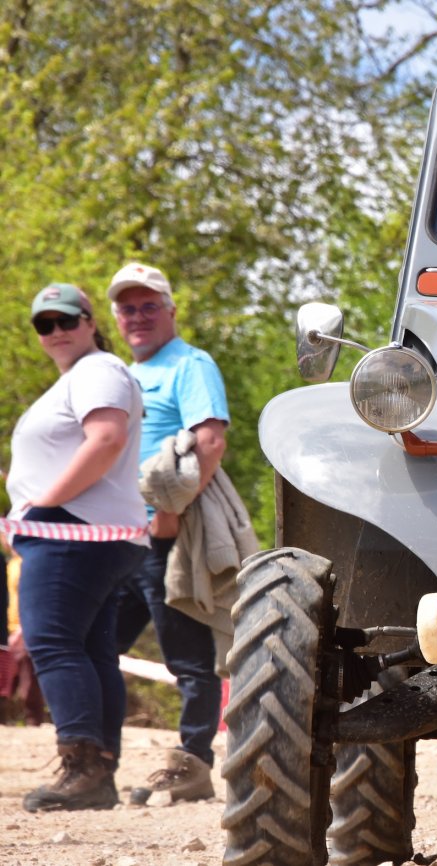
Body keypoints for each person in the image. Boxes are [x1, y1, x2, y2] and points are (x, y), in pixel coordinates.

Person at [5, 283, 148, 810]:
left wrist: (41, 505)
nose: (57, 331)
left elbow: (106, 438)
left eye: (67, 319)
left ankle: (83, 768)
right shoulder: (82, 377)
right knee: (89, 649)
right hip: (85, 532)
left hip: (72, 531)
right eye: (45, 324)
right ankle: (97, 772)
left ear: (91, 322)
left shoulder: (98, 370)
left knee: (53, 643)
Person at [109, 262, 229, 803]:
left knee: (187, 658)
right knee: (95, 646)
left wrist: (168, 511)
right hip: (115, 538)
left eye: (149, 306)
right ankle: (92, 760)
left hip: (161, 536)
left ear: (171, 311)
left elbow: (209, 442)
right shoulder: (119, 373)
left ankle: (192, 766)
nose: (138, 317)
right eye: (127, 309)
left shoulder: (190, 364)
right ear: (115, 318)